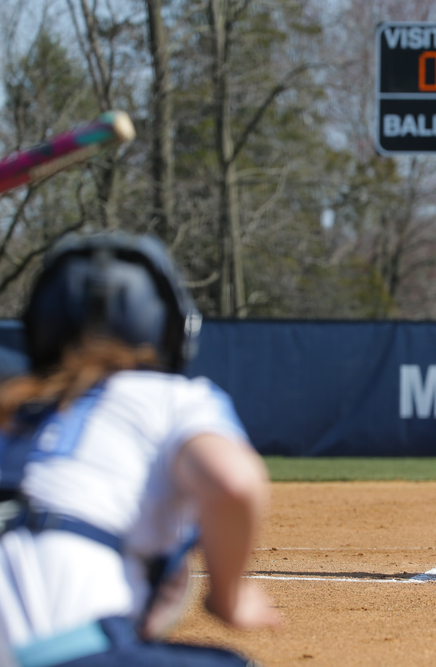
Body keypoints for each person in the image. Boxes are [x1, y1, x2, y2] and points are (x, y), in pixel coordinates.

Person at [0, 232, 280, 666]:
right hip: (58, 650)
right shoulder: (170, 396)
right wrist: (229, 597)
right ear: (169, 327)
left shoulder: (12, 406)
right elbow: (234, 483)